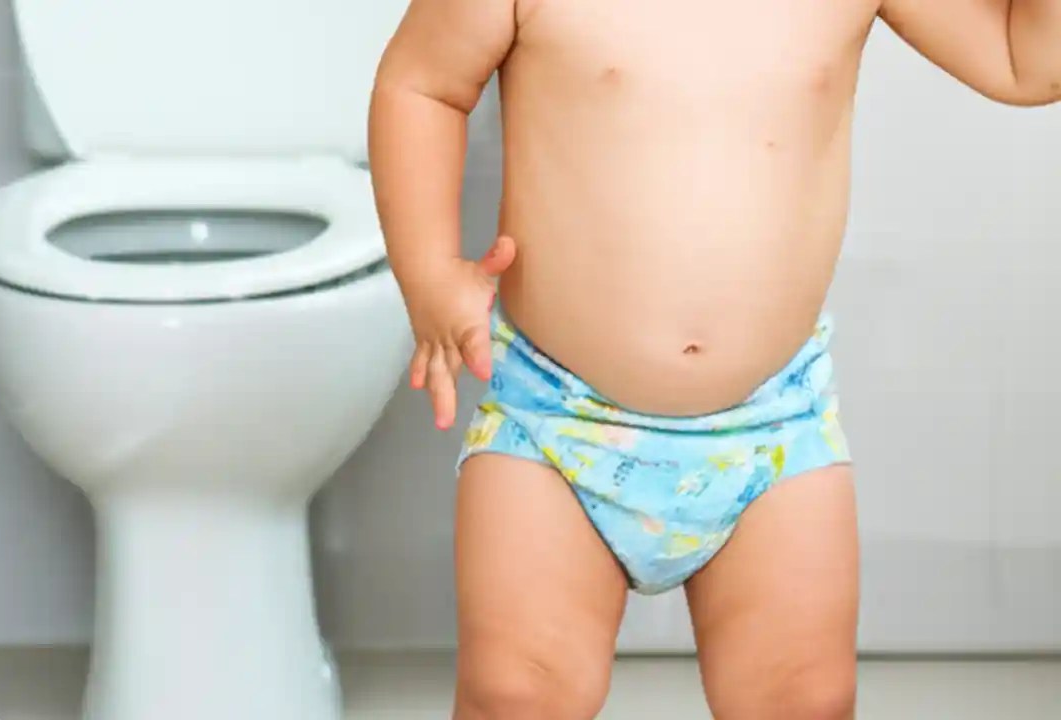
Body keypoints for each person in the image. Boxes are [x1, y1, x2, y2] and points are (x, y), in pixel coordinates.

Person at [367, 1, 1061, 718]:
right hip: (556, 419)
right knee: (515, 698)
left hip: (773, 429)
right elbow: (422, 84)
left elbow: (1026, 61)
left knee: (804, 703)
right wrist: (428, 271)